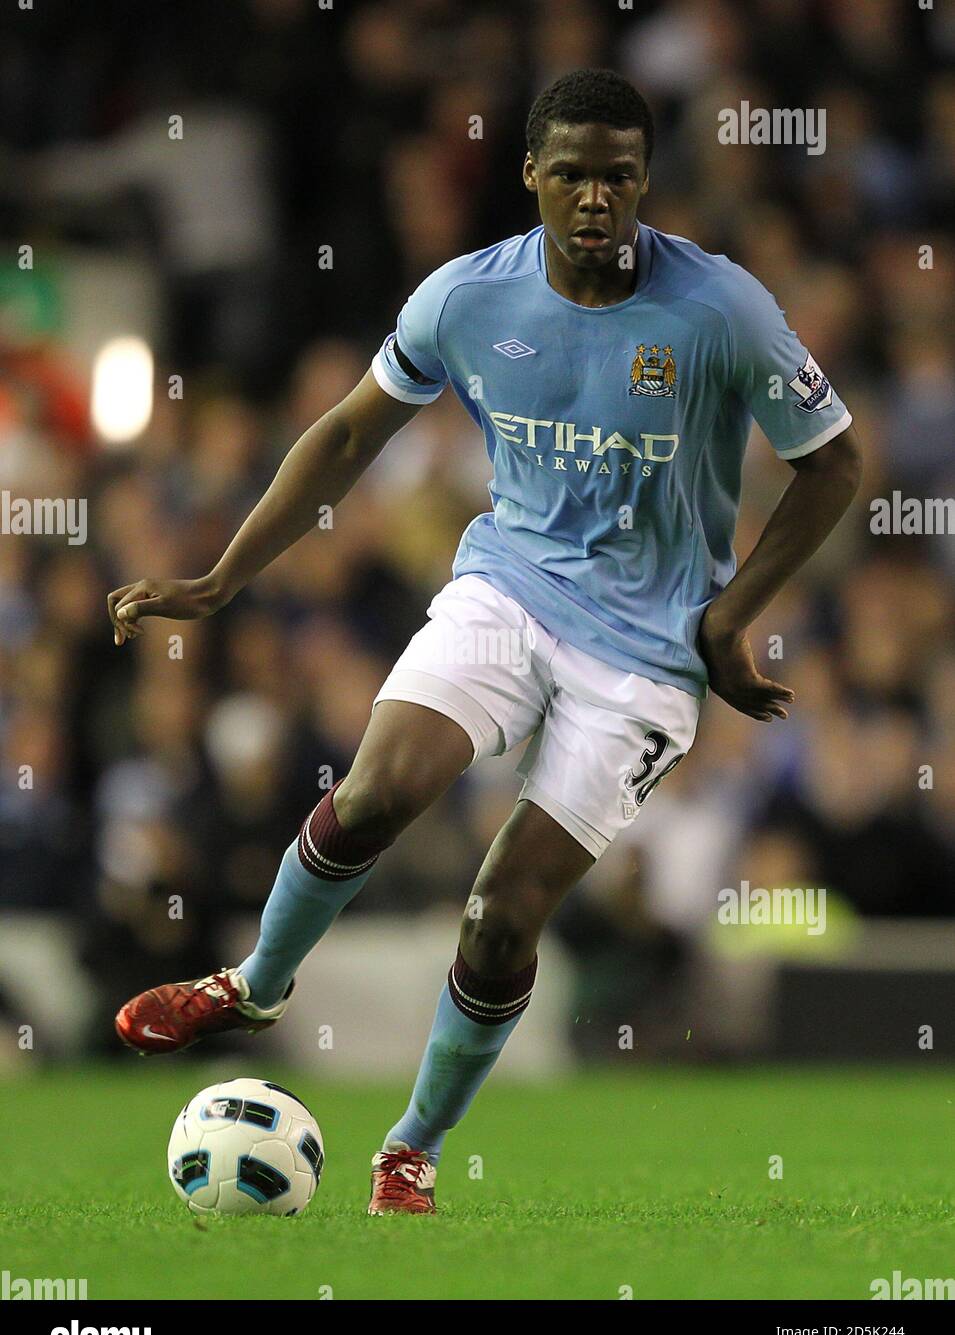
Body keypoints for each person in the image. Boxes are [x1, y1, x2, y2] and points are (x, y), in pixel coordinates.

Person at [109, 69, 861, 1215]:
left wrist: (726, 616)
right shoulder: (466, 297)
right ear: (531, 177)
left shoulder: (722, 308)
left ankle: (409, 1145)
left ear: (646, 179)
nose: (596, 199)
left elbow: (834, 464)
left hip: (648, 654)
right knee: (378, 789)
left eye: (618, 175)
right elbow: (350, 430)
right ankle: (254, 984)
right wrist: (222, 576)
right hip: (508, 588)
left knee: (502, 914)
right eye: (571, 174)